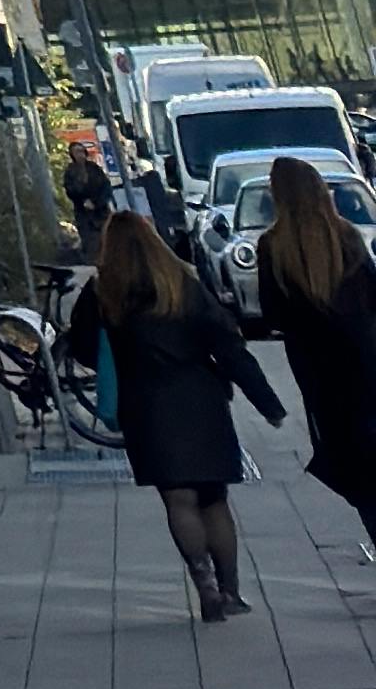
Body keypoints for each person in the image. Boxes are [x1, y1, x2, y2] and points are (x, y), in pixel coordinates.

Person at [68, 206, 284, 616]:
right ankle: (231, 591)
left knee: (178, 501)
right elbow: (229, 347)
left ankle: (205, 588)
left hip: (145, 406)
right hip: (200, 399)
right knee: (213, 499)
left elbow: (80, 346)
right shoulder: (182, 284)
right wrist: (268, 403)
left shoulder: (102, 291)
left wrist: (117, 356)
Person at [248, 158, 376, 562]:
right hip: (368, 361)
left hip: (321, 373)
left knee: (350, 461)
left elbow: (272, 316)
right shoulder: (348, 236)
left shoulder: (273, 247)